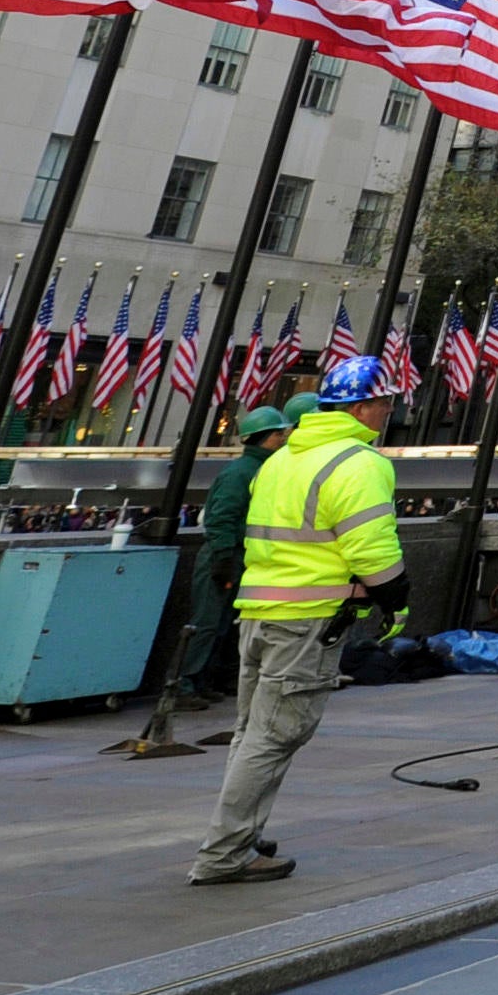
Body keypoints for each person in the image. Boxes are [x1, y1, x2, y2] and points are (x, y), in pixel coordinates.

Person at [189, 356, 406, 885]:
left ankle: (242, 836)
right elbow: (373, 549)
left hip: (260, 613)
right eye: (384, 403)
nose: (388, 412)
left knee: (252, 733)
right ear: (360, 407)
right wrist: (396, 601)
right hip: (307, 619)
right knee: (274, 736)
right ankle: (224, 853)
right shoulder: (359, 462)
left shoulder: (284, 459)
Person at [177, 404, 291, 702]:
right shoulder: (242, 472)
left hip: (240, 557)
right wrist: (224, 558)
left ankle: (204, 681)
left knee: (223, 624)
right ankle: (183, 685)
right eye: (280, 434)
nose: (284, 439)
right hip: (224, 556)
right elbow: (222, 518)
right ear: (265, 437)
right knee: (206, 623)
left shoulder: (260, 469)